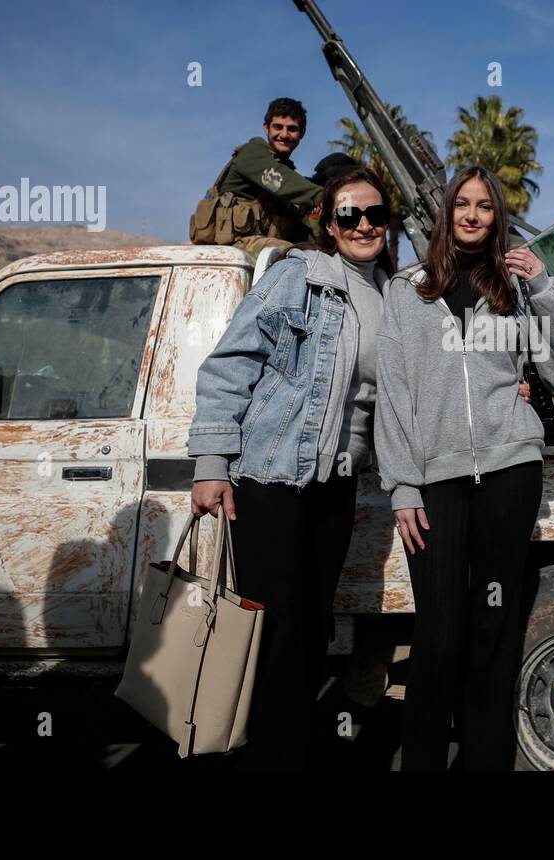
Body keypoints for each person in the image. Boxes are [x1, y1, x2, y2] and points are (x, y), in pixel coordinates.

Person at [373, 165, 554, 770]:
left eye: (485, 207)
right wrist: (402, 485)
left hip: (509, 473)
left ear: (497, 217)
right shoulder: (408, 289)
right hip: (436, 481)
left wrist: (548, 288)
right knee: (439, 635)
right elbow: (394, 391)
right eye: (462, 205)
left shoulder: (518, 287)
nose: (472, 215)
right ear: (446, 213)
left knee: (493, 633)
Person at [186, 166, 393, 769]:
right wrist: (210, 463)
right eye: (348, 215)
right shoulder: (299, 277)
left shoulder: (393, 294)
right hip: (273, 476)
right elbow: (230, 363)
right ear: (328, 224)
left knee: (313, 630)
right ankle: (271, 754)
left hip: (336, 484)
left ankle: (290, 746)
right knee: (275, 630)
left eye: (374, 214)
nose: (362, 224)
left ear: (387, 224)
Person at [191, 97, 327, 257]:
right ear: (266, 128)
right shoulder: (252, 153)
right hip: (234, 244)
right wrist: (330, 196)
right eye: (278, 127)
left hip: (259, 246)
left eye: (292, 129)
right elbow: (280, 180)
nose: (284, 134)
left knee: (319, 255)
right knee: (296, 256)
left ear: (302, 133)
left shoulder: (288, 176)